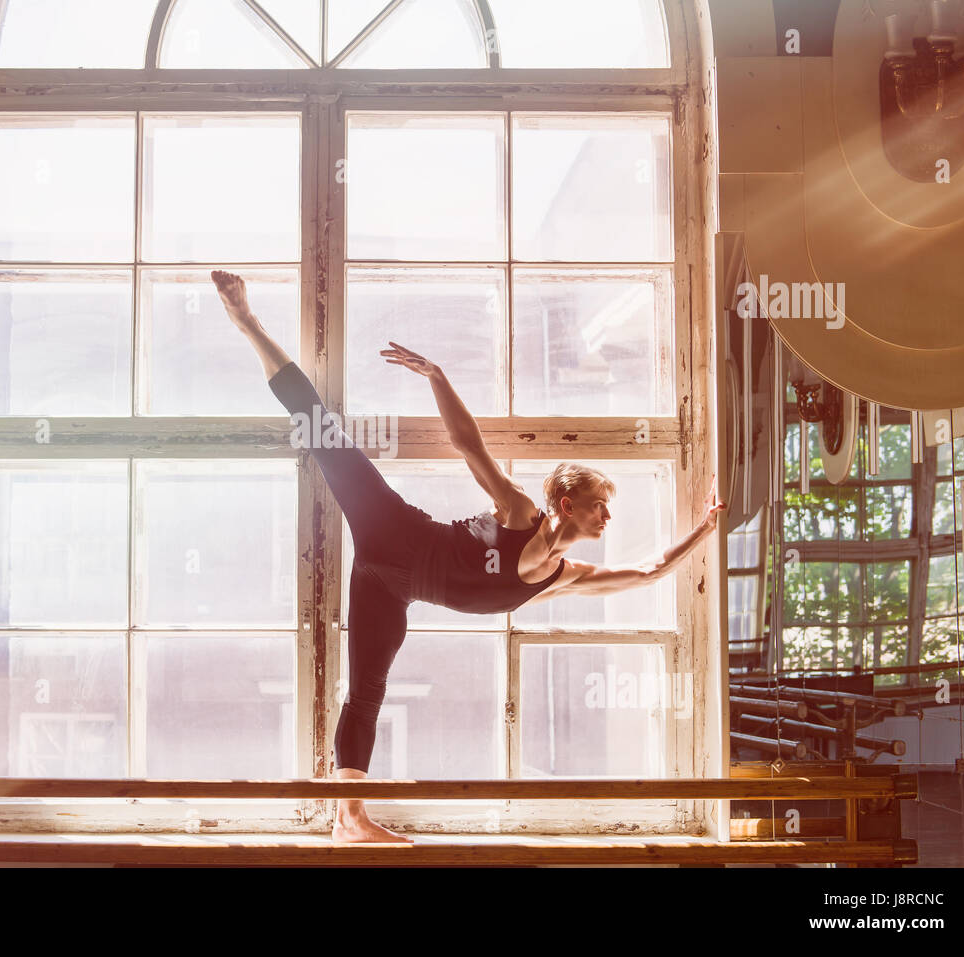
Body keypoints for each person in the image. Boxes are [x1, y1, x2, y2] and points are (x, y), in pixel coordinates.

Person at [209, 270, 726, 844]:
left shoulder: (560, 578)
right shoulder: (522, 514)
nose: (608, 517)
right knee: (324, 434)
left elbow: (652, 569)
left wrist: (705, 530)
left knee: (367, 693)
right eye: (599, 504)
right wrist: (437, 376)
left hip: (388, 588)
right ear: (565, 501)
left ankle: (347, 818)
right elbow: (469, 445)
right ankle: (248, 321)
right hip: (396, 532)